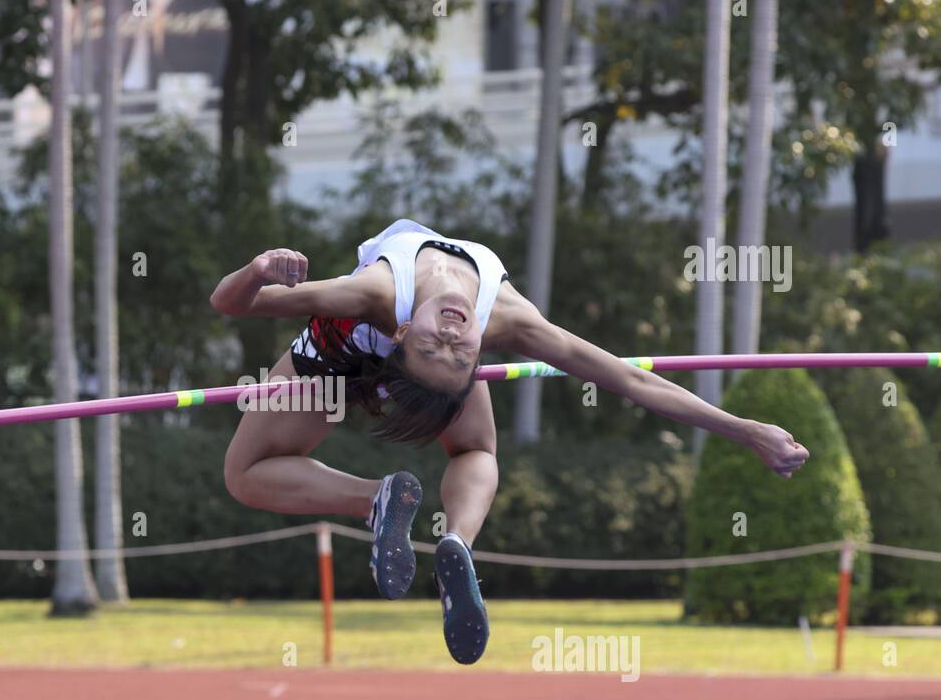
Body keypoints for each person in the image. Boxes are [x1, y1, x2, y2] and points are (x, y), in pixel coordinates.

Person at [211, 219, 810, 665]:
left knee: (257, 470)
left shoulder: (469, 321)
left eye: (456, 352)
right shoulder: (413, 308)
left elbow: (628, 379)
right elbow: (230, 303)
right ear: (400, 334)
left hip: (379, 366)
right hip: (346, 344)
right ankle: (398, 510)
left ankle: (437, 534)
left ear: (476, 367)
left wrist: (746, 430)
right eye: (441, 347)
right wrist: (257, 270)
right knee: (255, 473)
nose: (450, 336)